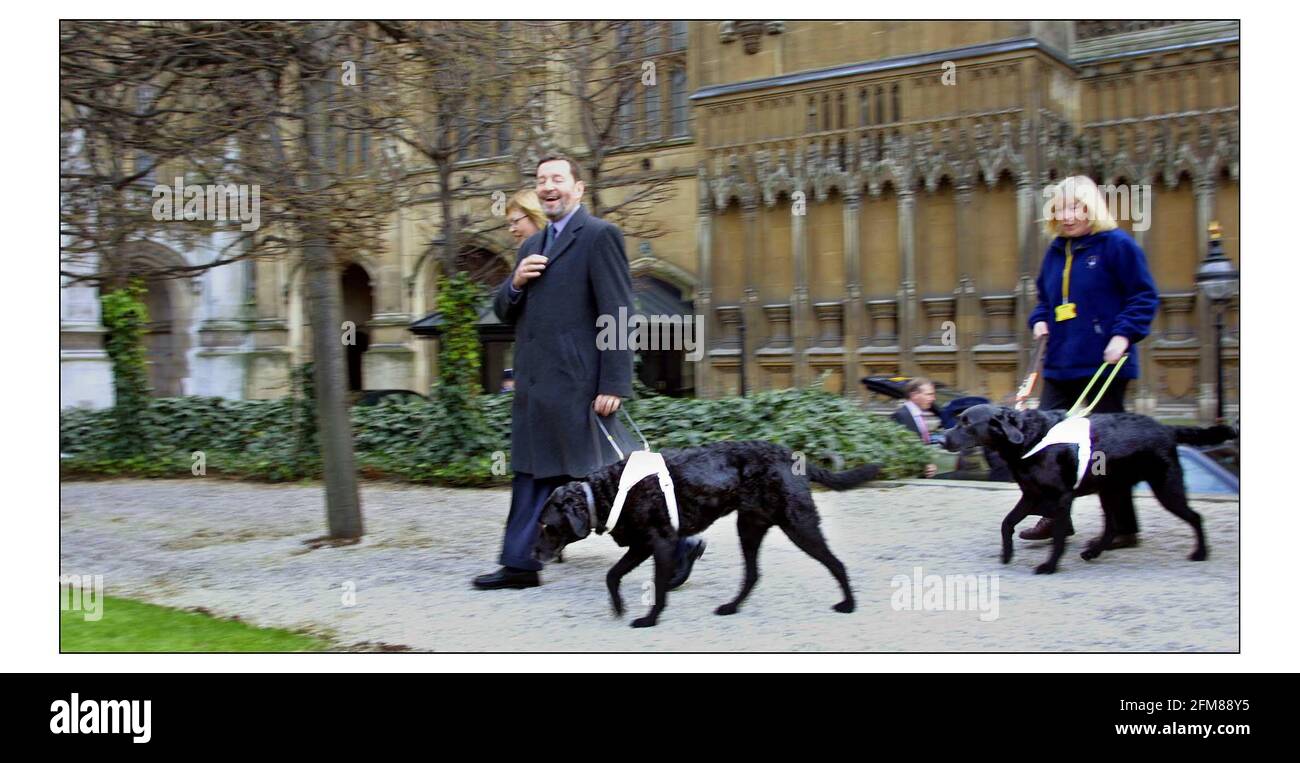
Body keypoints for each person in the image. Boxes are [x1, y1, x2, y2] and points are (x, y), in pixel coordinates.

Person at [473, 155, 704, 590]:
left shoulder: (599, 236)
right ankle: (520, 565)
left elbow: (618, 311)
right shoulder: (530, 246)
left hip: (581, 390)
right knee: (530, 476)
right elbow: (503, 312)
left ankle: (678, 548)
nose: (548, 186)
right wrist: (514, 283)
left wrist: (614, 382)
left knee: (615, 482)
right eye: (541, 180)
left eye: (557, 179)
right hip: (536, 392)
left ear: (578, 188)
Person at [1020, 175, 1159, 548]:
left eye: (1076, 207)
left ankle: (1123, 527)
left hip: (1104, 364)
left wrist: (1123, 334)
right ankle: (1055, 517)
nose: (1067, 216)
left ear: (1092, 208)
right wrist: (1039, 320)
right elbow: (1043, 301)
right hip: (1060, 364)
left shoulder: (1116, 245)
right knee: (1048, 444)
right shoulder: (1055, 251)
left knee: (1104, 451)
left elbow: (1144, 296)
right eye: (1060, 209)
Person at [890, 377, 939, 478]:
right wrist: (921, 467)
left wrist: (928, 465)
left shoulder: (918, 415)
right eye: (929, 394)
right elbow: (899, 452)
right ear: (914, 395)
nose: (933, 398)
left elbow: (922, 446)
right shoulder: (900, 416)